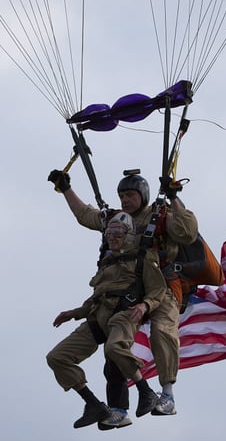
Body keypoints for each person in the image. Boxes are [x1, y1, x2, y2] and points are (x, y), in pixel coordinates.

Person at [48, 168, 198, 420]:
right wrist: (66, 189)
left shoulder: (160, 215)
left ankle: (167, 395)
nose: (125, 200)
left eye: (130, 195)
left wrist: (174, 197)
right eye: (122, 196)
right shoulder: (115, 219)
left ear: (143, 195)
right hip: (123, 289)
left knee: (162, 330)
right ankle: (117, 409)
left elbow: (188, 232)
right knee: (113, 347)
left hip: (158, 285)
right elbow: (85, 215)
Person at [46, 212, 166, 428]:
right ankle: (93, 404)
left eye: (118, 232)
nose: (113, 236)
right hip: (98, 315)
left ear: (129, 234)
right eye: (110, 232)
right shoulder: (107, 261)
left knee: (114, 348)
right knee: (56, 357)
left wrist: (145, 305)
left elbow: (158, 289)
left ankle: (146, 392)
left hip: (125, 315)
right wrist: (75, 312)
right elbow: (98, 295)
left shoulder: (142, 258)